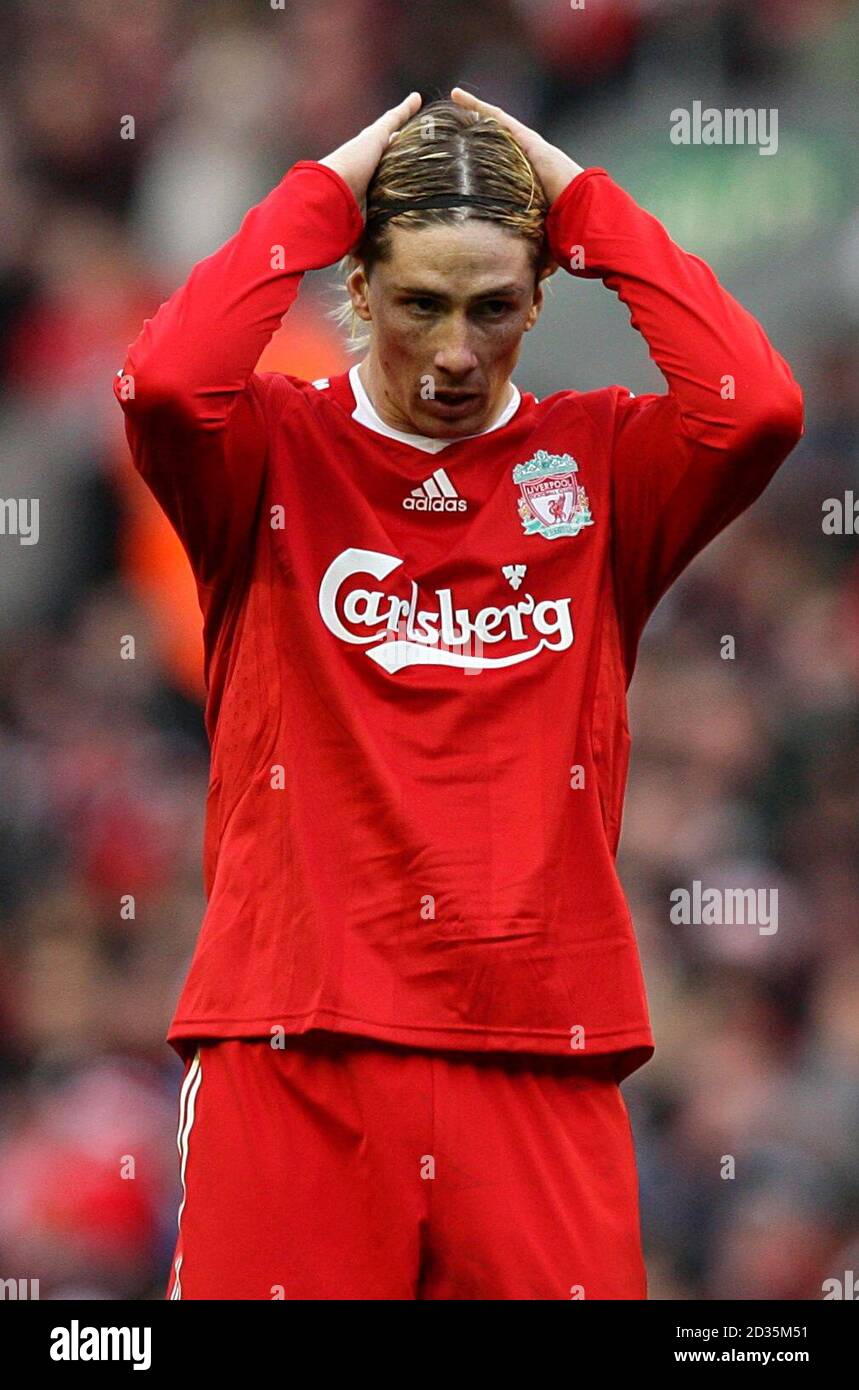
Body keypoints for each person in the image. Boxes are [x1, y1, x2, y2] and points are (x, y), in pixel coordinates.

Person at [113, 89, 804, 1300]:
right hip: (298, 1037)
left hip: (539, 1048)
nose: (454, 351)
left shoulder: (599, 467)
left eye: (493, 308)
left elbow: (755, 407)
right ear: (360, 289)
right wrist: (317, 195)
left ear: (541, 300)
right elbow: (166, 381)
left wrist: (588, 205)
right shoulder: (270, 448)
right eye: (421, 303)